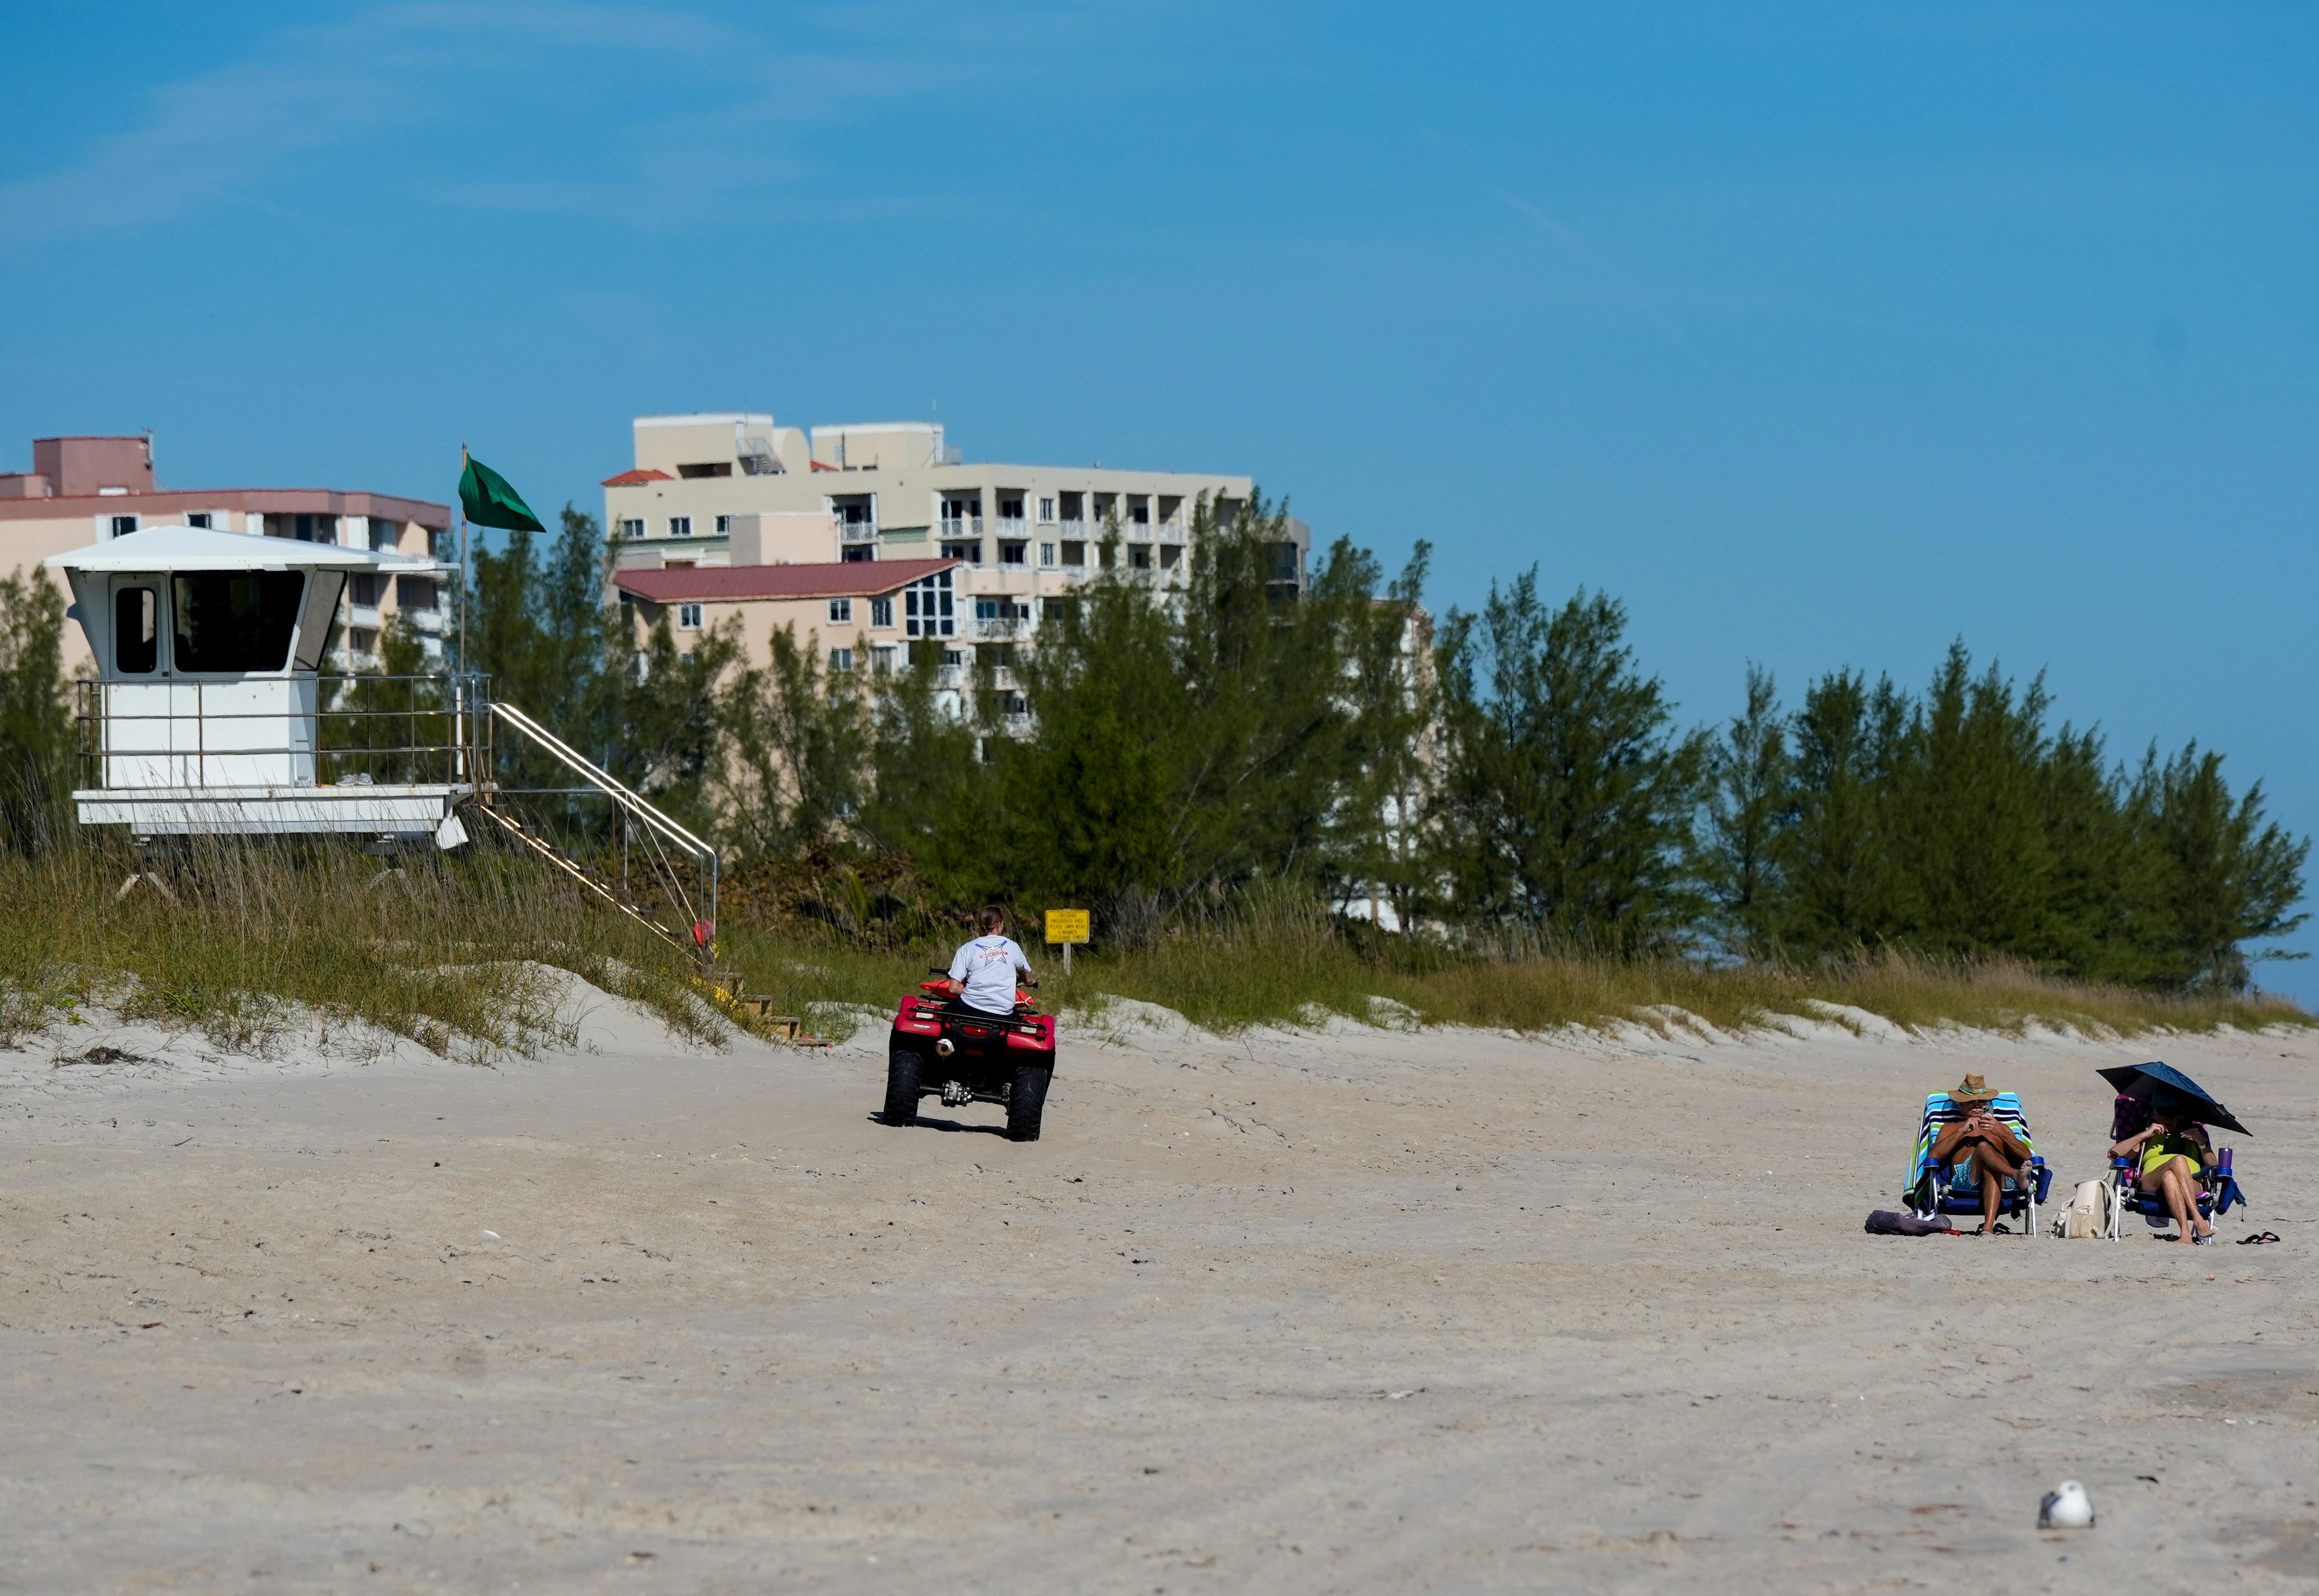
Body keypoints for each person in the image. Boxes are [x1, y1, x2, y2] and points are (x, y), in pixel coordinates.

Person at [1926, 1074, 2031, 1235]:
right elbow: (1933, 1157)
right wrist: (1961, 1132)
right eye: (1970, 1102)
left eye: (1981, 1102)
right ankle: (2017, 1175)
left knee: (1990, 1165)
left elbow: (2027, 1156)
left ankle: (1988, 1228)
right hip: (1966, 1180)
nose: (1976, 1106)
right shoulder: (1951, 1128)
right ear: (1960, 1104)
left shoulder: (2000, 1127)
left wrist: (2001, 1134)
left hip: (2002, 1179)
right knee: (1983, 1147)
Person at [2112, 1108, 2215, 1244]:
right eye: (2163, 1114)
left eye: (2173, 1114)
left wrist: (2202, 1143)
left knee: (2169, 1176)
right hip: (2152, 1182)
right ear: (2154, 1114)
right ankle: (2197, 1218)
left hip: (2192, 1183)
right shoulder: (2149, 1135)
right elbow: (2114, 1154)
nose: (2169, 1119)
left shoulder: (2195, 1134)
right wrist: (2144, 1135)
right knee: (2179, 1160)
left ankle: (2185, 1234)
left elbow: (2214, 1166)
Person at [944, 906, 1036, 1016]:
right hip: (1002, 1013)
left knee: (945, 1014)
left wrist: (974, 994)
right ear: (999, 924)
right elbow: (1027, 977)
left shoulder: (967, 948)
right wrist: (1030, 983)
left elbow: (953, 989)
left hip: (970, 1007)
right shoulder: (1013, 946)